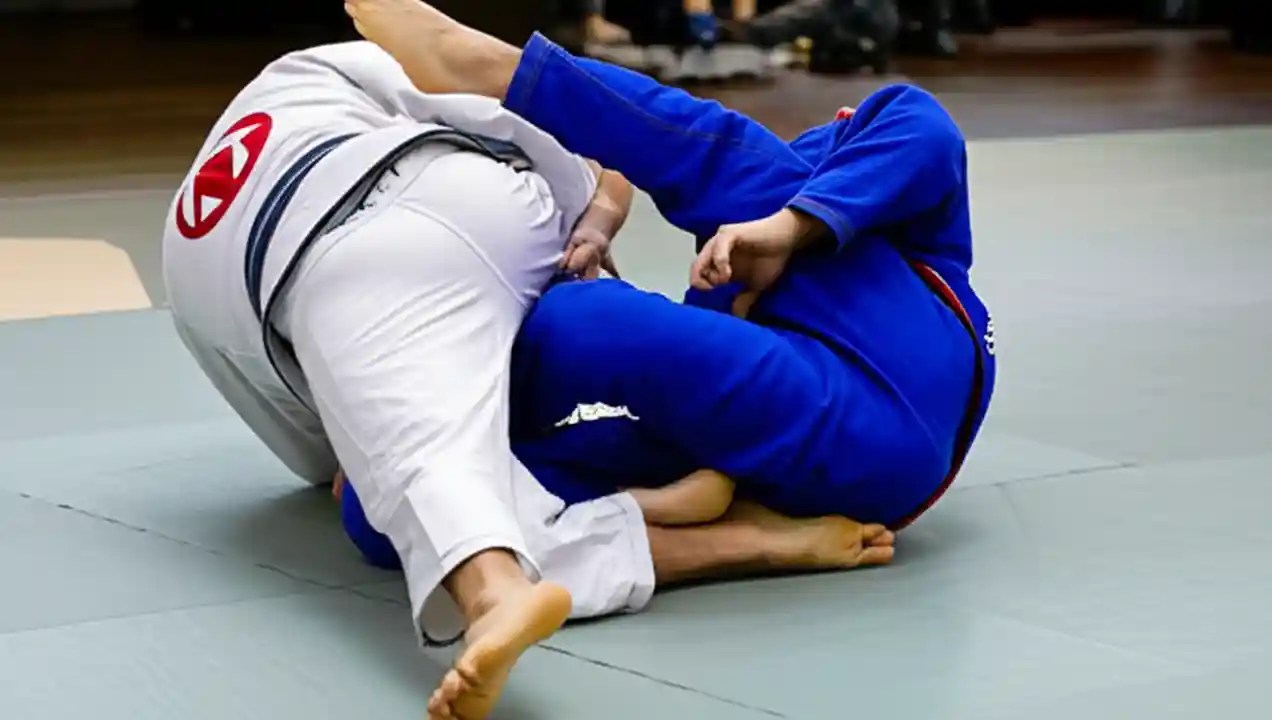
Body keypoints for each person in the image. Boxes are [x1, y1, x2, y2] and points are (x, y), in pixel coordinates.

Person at [161, 39, 894, 720]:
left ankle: (503, 589)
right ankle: (683, 512)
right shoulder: (304, 74)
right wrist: (598, 217)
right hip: (495, 201)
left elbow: (324, 463)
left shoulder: (187, 263)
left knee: (400, 489)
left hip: (346, 272)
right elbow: (557, 119)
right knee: (452, 438)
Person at [343, 0, 996, 534]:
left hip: (882, 408)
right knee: (373, 515)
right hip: (820, 417)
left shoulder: (855, 189)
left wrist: (787, 230)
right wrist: (604, 219)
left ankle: (496, 71)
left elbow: (924, 124)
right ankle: (441, 438)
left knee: (583, 312)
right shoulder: (775, 198)